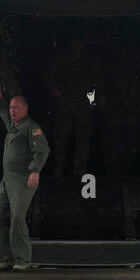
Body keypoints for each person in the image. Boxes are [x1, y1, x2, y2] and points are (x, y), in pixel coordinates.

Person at [0, 88, 50, 271]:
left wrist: (35, 171)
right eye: (11, 107)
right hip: (7, 180)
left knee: (17, 216)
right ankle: (5, 257)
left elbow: (42, 151)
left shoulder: (31, 128)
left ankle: (22, 260)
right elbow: (2, 111)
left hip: (23, 180)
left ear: (25, 109)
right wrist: (1, 99)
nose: (12, 111)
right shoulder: (14, 126)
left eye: (16, 108)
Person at [45, 38, 97, 176]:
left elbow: (96, 81)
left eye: (80, 43)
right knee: (61, 139)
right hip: (65, 103)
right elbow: (49, 76)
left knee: (83, 140)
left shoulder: (89, 61)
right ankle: (58, 169)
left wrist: (94, 100)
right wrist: (54, 90)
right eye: (76, 43)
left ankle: (80, 170)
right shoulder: (63, 59)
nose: (78, 46)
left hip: (83, 104)